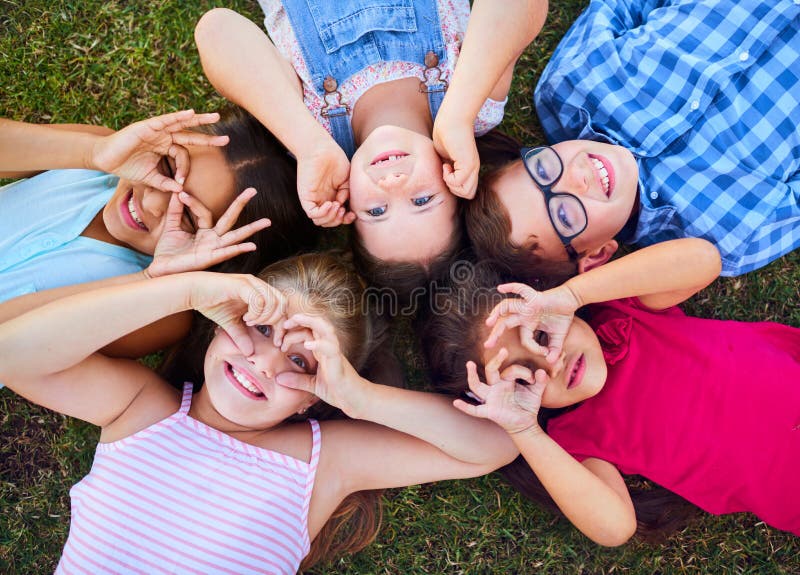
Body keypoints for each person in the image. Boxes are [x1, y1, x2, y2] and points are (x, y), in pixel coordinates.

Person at [0, 252, 519, 573]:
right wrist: (181, 289)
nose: (265, 362)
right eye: (261, 329)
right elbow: (10, 351)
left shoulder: (324, 461)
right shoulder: (141, 409)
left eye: (300, 361)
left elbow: (495, 444)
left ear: (314, 395)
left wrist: (359, 397)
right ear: (220, 318)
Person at [420, 238, 800, 543]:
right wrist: (524, 429)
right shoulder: (573, 438)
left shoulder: (619, 312)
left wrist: (573, 295)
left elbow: (704, 260)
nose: (551, 363)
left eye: (540, 336)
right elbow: (615, 527)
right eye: (522, 377)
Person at [193, 1, 547, 288]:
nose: (393, 184)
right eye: (422, 201)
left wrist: (308, 144)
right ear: (454, 181)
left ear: (348, 203)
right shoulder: (472, 107)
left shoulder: (313, 132)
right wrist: (458, 115)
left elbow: (217, 29)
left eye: (376, 211)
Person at [466, 0, 800, 280]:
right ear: (596, 255)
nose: (575, 177)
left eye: (542, 169)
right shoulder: (729, 236)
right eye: (565, 216)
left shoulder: (571, 86)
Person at [0, 106, 316, 356]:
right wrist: (93, 151)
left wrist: (148, 281)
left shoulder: (162, 314)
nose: (151, 203)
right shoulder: (96, 157)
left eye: (187, 217)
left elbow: (12, 348)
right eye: (166, 168)